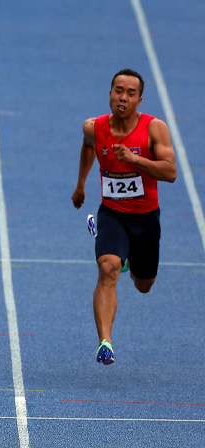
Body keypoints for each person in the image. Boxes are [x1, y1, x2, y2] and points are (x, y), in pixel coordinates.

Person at [72, 68, 177, 364]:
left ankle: (127, 257)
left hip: (145, 218)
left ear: (139, 100)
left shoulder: (155, 129)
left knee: (144, 285)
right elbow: (88, 147)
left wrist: (135, 159)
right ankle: (105, 342)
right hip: (112, 213)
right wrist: (81, 185)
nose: (123, 97)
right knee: (108, 269)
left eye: (130, 93)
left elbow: (171, 172)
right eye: (118, 90)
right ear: (109, 94)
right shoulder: (94, 127)